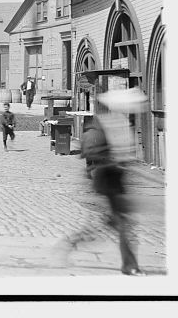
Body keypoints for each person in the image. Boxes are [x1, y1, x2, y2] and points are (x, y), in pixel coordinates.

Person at [59, 111, 142, 275]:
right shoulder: (102, 132)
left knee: (110, 228)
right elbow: (94, 156)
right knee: (120, 227)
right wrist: (115, 161)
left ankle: (70, 244)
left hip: (113, 186)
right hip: (107, 187)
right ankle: (129, 266)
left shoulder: (114, 129)